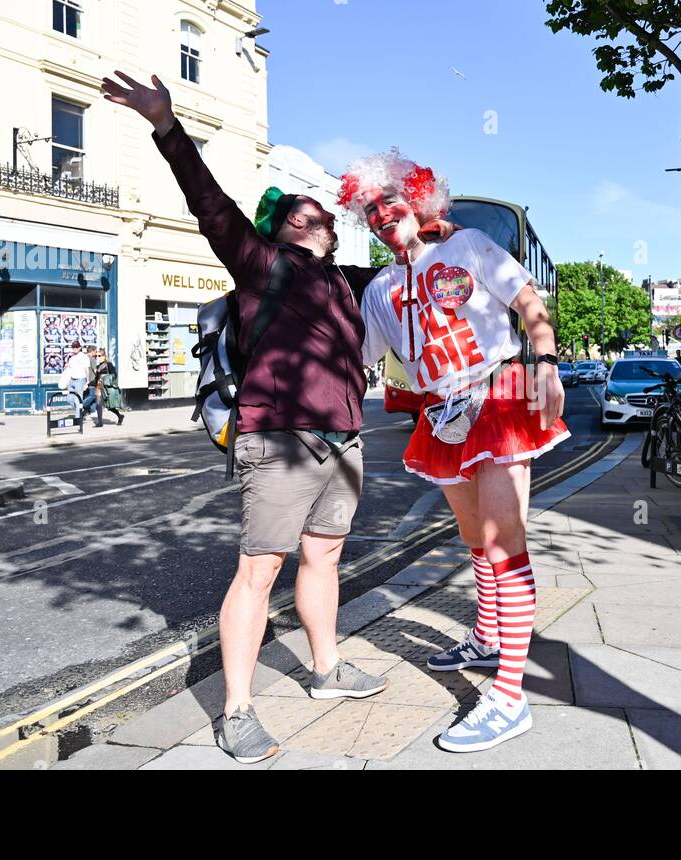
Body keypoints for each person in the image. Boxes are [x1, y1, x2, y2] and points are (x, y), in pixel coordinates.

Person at [102, 69, 457, 764]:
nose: (317, 214)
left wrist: (419, 210)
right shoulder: (261, 263)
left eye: (322, 211)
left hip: (342, 441)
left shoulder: (349, 281)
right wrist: (167, 127)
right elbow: (211, 205)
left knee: (323, 558)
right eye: (301, 210)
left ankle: (325, 671)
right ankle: (236, 709)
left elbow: (419, 264)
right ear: (280, 227)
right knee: (259, 570)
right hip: (280, 438)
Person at [344, 150, 568, 753]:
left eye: (391, 201)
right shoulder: (382, 287)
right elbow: (355, 360)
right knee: (475, 543)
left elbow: (530, 306)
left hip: (497, 395)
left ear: (418, 201)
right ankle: (485, 636)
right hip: (439, 412)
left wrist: (545, 362)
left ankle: (508, 698)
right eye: (370, 208)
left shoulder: (468, 247)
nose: (382, 215)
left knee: (503, 545)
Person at [57, 341, 91, 423]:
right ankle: (81, 411)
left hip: (80, 380)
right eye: (73, 347)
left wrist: (88, 381)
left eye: (76, 347)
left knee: (77, 399)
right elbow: (69, 368)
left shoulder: (84, 357)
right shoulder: (71, 358)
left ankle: (78, 419)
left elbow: (87, 369)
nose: (74, 348)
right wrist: (67, 367)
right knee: (69, 399)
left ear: (79, 348)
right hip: (71, 380)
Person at [93, 349, 126, 425]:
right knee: (98, 403)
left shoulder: (108, 365)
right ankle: (100, 421)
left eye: (99, 356)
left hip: (106, 387)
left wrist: (106, 379)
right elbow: (96, 379)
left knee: (109, 405)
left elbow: (114, 374)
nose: (98, 357)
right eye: (96, 356)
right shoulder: (98, 367)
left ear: (104, 356)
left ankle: (119, 416)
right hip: (99, 386)